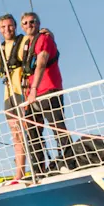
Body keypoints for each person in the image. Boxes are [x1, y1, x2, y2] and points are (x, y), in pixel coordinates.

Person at [20, 12, 69, 175]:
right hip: (32, 95)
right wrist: (28, 94)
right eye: (25, 23)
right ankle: (38, 168)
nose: (29, 25)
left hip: (48, 90)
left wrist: (33, 89)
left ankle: (67, 160)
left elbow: (41, 63)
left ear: (38, 23)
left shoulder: (44, 39)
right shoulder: (27, 44)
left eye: (32, 22)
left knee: (57, 126)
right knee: (33, 132)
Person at [0, 14, 30, 182]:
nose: (7, 30)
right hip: (8, 95)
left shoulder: (23, 42)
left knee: (28, 130)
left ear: (15, 26)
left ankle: (40, 166)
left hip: (21, 90)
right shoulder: (1, 49)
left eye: (10, 26)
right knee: (15, 134)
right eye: (3, 27)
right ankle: (20, 172)